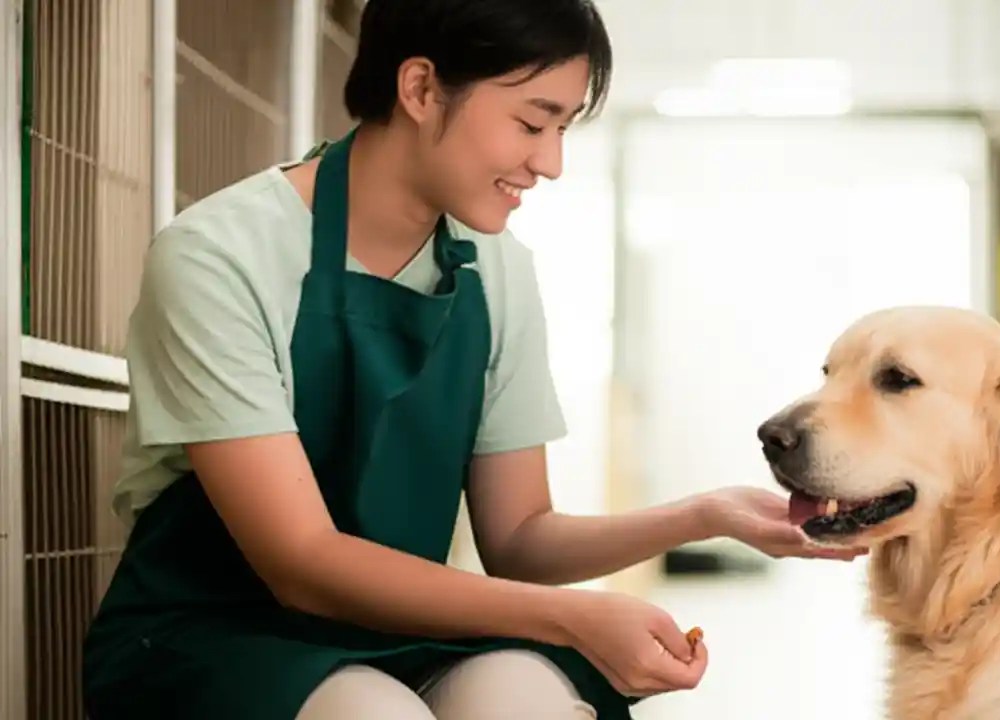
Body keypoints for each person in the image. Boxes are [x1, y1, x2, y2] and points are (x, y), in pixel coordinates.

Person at [80, 1, 864, 718]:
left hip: (400, 629)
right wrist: (574, 617)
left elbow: (519, 538)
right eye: (533, 123)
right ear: (421, 89)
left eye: (563, 130)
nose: (551, 162)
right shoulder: (220, 256)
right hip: (216, 635)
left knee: (527, 699)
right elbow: (302, 563)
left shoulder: (496, 270)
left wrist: (705, 516)